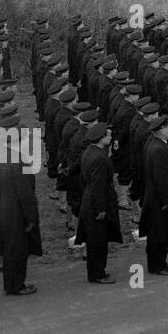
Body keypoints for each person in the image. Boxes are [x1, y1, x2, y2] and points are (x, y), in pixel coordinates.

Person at [0, 104, 41, 296]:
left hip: (4, 208)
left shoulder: (2, 155)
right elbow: (25, 194)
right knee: (17, 250)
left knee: (9, 248)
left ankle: (11, 284)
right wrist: (31, 218)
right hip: (17, 212)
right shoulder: (19, 161)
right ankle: (16, 285)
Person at [139, 113, 168, 275]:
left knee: (158, 232)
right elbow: (161, 178)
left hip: (154, 196)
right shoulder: (159, 149)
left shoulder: (154, 144)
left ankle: (158, 263)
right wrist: (167, 200)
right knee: (160, 233)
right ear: (161, 130)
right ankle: (158, 265)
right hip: (160, 199)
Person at [75, 120, 122, 284]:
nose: (110, 137)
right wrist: (101, 208)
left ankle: (96, 272)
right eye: (108, 135)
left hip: (89, 199)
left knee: (95, 240)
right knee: (98, 241)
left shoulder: (89, 152)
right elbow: (98, 185)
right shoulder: (100, 158)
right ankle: (97, 274)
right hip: (97, 203)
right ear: (101, 138)